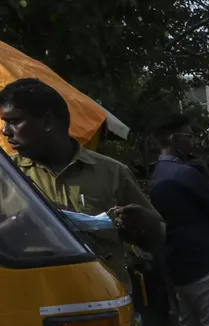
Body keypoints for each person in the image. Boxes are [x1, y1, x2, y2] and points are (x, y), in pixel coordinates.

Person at [0, 78, 163, 292]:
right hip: (35, 304)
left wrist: (144, 225)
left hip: (104, 304)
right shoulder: (6, 175)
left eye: (15, 121)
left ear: (47, 122)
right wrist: (19, 225)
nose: (5, 131)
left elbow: (159, 237)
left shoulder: (113, 172)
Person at [148, 114, 209, 326]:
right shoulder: (186, 174)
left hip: (179, 266)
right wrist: (206, 176)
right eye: (189, 136)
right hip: (204, 263)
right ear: (175, 140)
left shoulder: (159, 175)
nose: (193, 141)